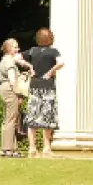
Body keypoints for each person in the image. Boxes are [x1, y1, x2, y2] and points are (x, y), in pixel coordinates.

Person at [23, 28, 63, 158]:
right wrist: (51, 71)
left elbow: (17, 57)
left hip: (34, 86)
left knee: (32, 117)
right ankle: (46, 147)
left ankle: (32, 148)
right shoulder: (53, 51)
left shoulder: (33, 51)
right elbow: (61, 62)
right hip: (48, 87)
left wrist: (30, 67)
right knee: (48, 117)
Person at [0, 39, 31, 158]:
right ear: (9, 49)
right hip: (10, 90)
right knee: (12, 120)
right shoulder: (10, 63)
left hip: (4, 89)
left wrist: (25, 64)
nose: (18, 49)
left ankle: (10, 148)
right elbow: (12, 81)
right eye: (15, 47)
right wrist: (19, 94)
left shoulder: (4, 61)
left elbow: (19, 60)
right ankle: (8, 149)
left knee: (8, 119)